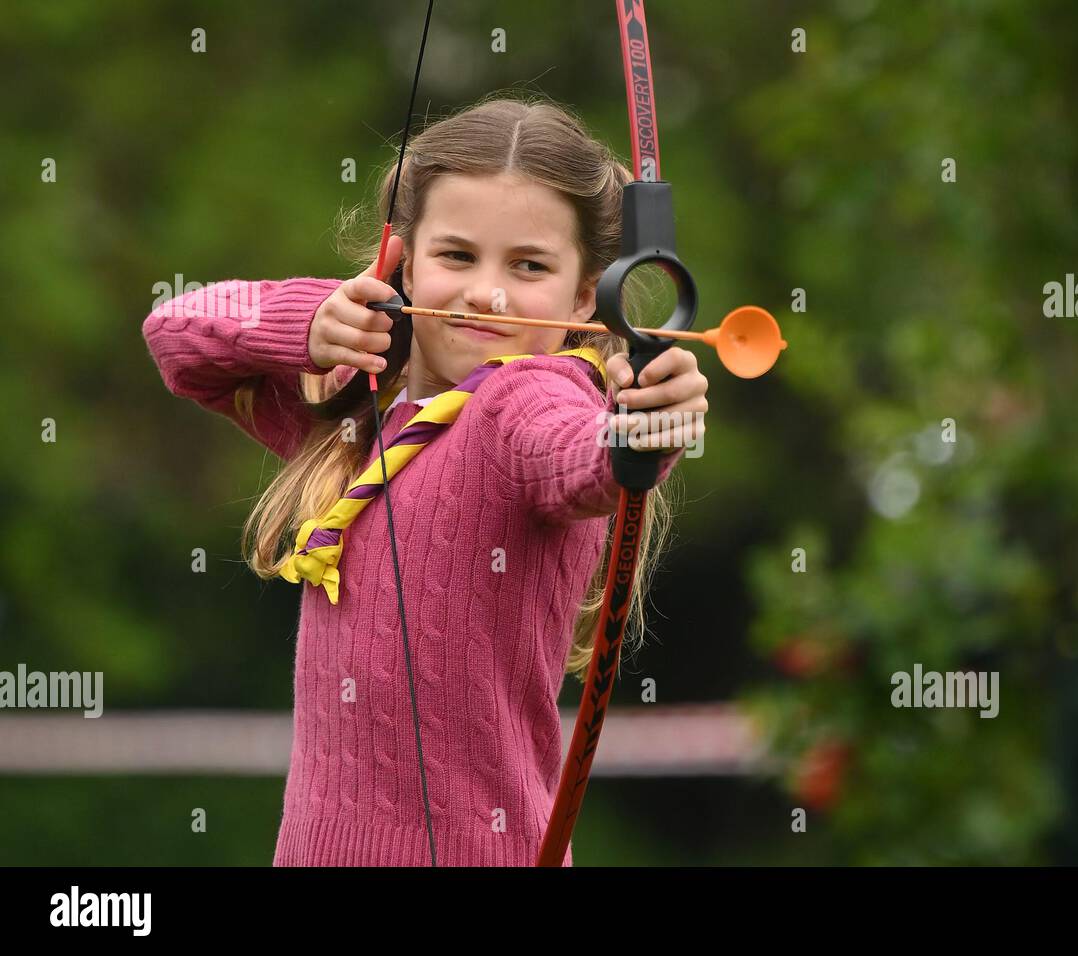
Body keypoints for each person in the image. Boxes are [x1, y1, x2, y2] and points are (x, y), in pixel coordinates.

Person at [142, 95, 708, 865]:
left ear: (587, 297)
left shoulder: (525, 398)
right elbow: (177, 335)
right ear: (401, 259)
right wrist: (313, 322)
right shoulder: (358, 414)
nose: (488, 292)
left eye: (530, 266)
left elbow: (581, 456)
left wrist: (645, 431)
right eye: (457, 256)